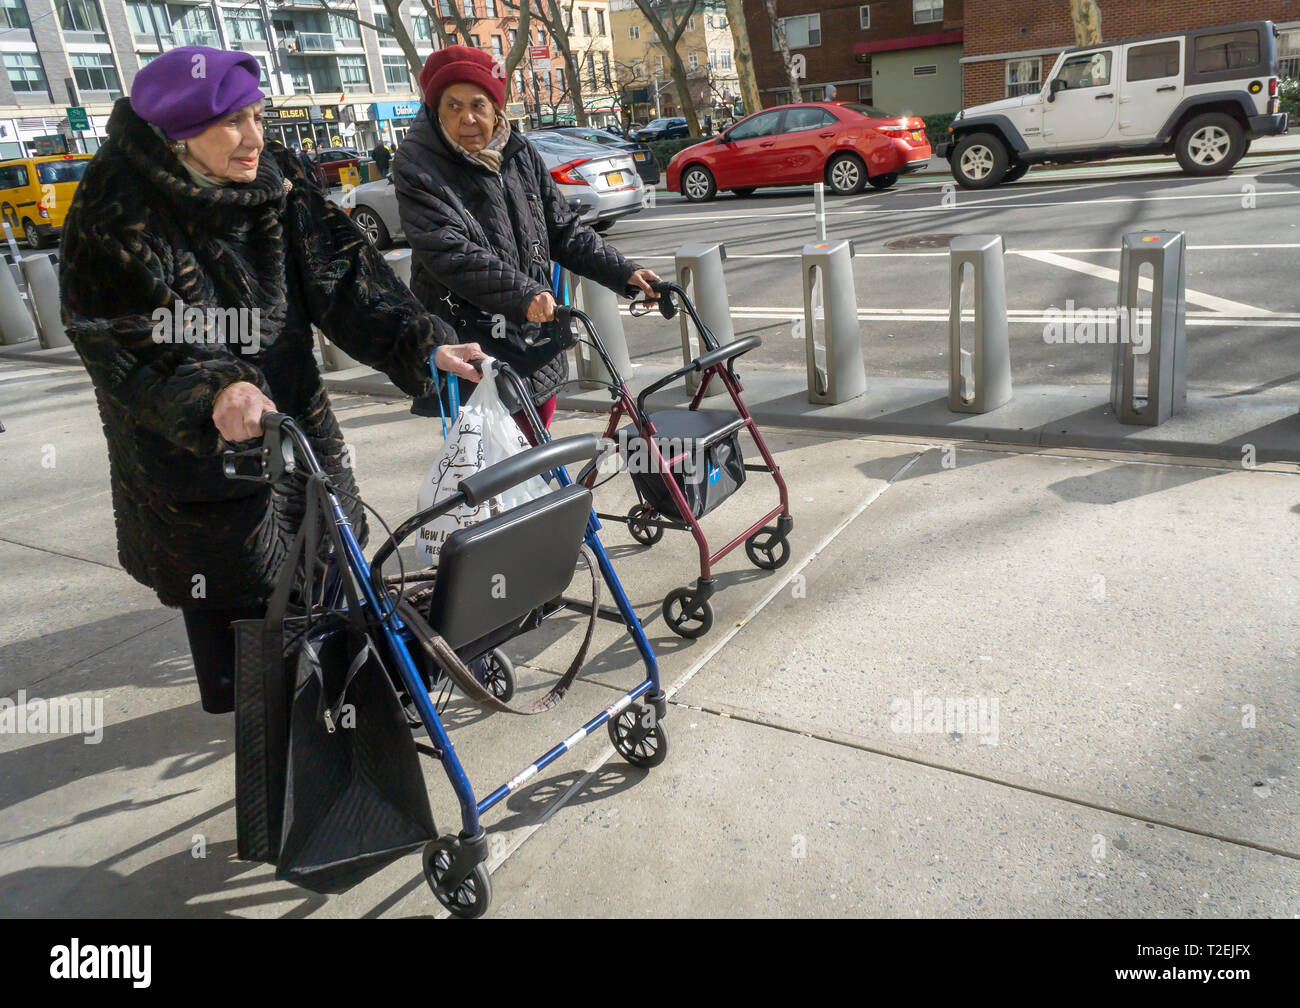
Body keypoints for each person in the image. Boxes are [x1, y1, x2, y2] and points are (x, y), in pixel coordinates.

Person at [60, 46, 483, 714]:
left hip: (297, 429)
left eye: (259, 117)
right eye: (234, 124)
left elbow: (344, 277)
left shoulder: (274, 180)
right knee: (238, 629)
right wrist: (217, 389)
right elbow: (128, 335)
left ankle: (337, 717)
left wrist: (419, 342)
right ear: (178, 131)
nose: (256, 138)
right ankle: (266, 748)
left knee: (328, 582)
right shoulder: (113, 208)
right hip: (201, 463)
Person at [392, 45, 660, 439]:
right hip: (472, 343)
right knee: (493, 472)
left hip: (534, 335)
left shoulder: (518, 152)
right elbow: (447, 251)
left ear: (496, 109)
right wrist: (524, 294)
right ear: (435, 110)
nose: (467, 117)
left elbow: (564, 230)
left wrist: (625, 272)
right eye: (452, 106)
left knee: (539, 454)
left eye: (478, 104)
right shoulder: (416, 164)